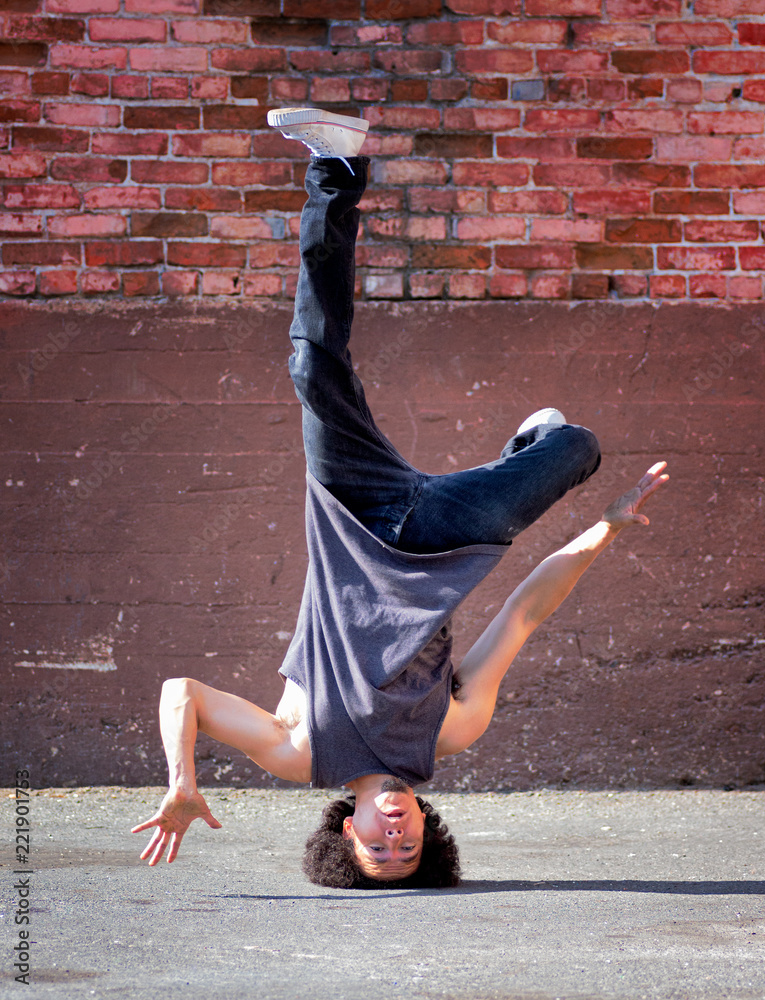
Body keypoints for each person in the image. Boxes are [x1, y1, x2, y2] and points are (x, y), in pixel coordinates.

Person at [132, 110, 668, 888]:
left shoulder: (299, 749)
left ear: (343, 828)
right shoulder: (451, 731)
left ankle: (336, 169)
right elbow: (524, 612)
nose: (392, 837)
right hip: (452, 537)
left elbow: (181, 692)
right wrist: (606, 530)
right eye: (406, 850)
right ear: (426, 825)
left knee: (314, 365)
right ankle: (533, 447)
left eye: (375, 851)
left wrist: (182, 777)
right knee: (579, 447)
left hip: (350, 511)